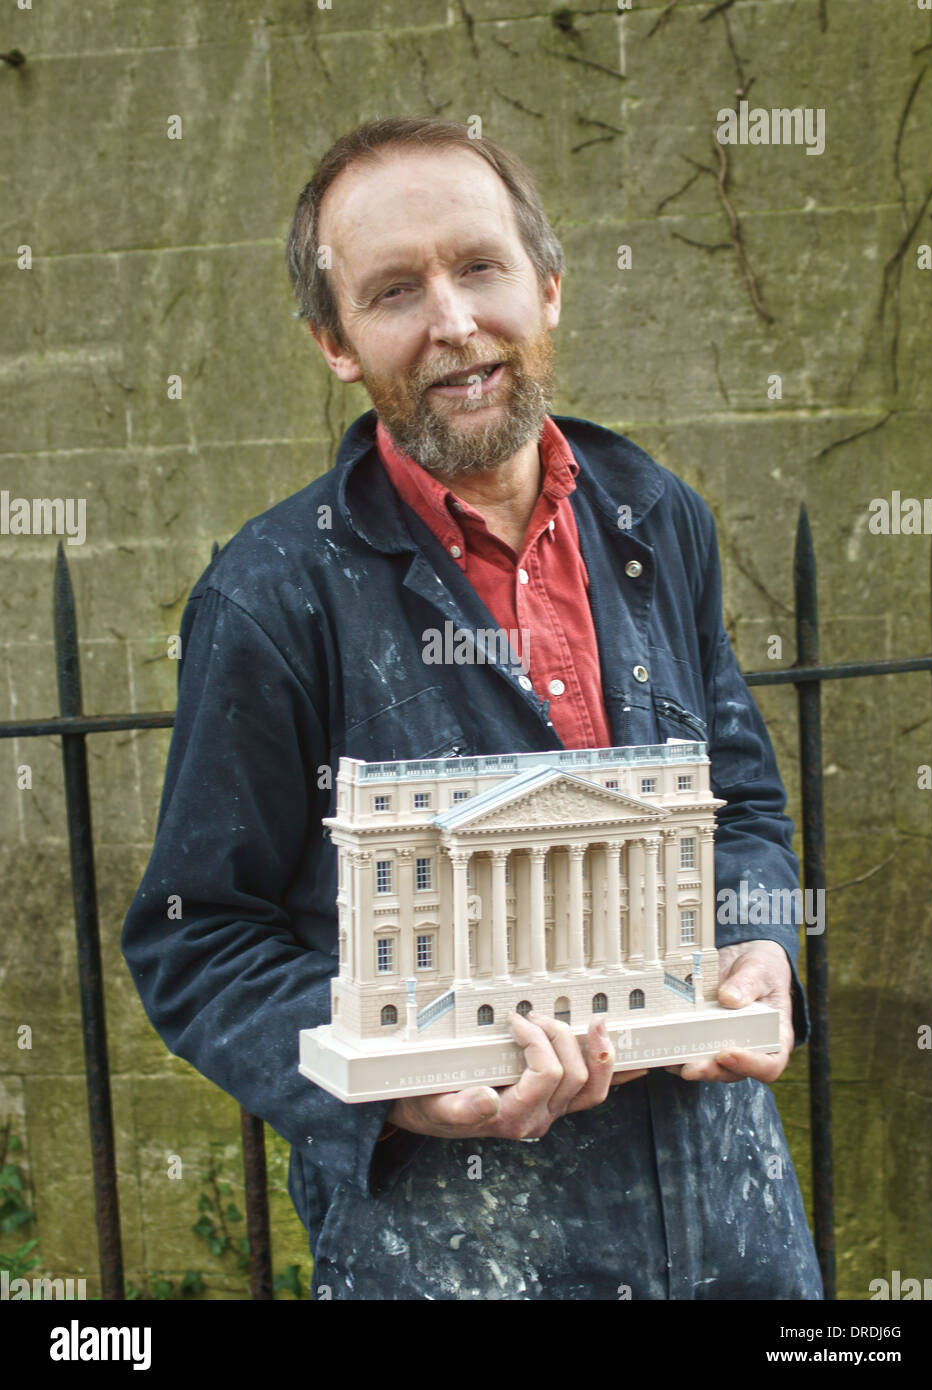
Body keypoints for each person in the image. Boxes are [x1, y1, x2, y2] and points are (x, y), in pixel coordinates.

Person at [122, 117, 823, 1300]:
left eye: (480, 267)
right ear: (335, 341)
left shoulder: (656, 514)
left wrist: (760, 938)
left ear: (547, 289)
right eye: (394, 290)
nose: (451, 321)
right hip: (456, 1262)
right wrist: (392, 1080)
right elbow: (195, 937)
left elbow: (740, 799)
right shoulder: (273, 596)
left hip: (737, 1244)